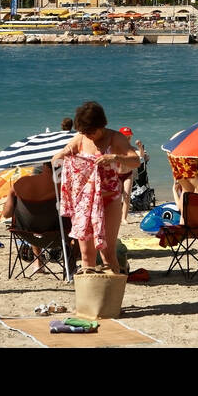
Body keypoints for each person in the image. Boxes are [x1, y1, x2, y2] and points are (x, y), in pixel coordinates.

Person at [54, 101, 140, 274]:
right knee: (86, 253)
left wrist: (115, 157)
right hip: (84, 202)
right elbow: (55, 160)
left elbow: (135, 161)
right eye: (85, 132)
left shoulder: (115, 138)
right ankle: (91, 298)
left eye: (92, 131)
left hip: (109, 200)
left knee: (107, 252)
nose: (89, 136)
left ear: (101, 125)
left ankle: (112, 296)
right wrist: (65, 153)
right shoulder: (81, 138)